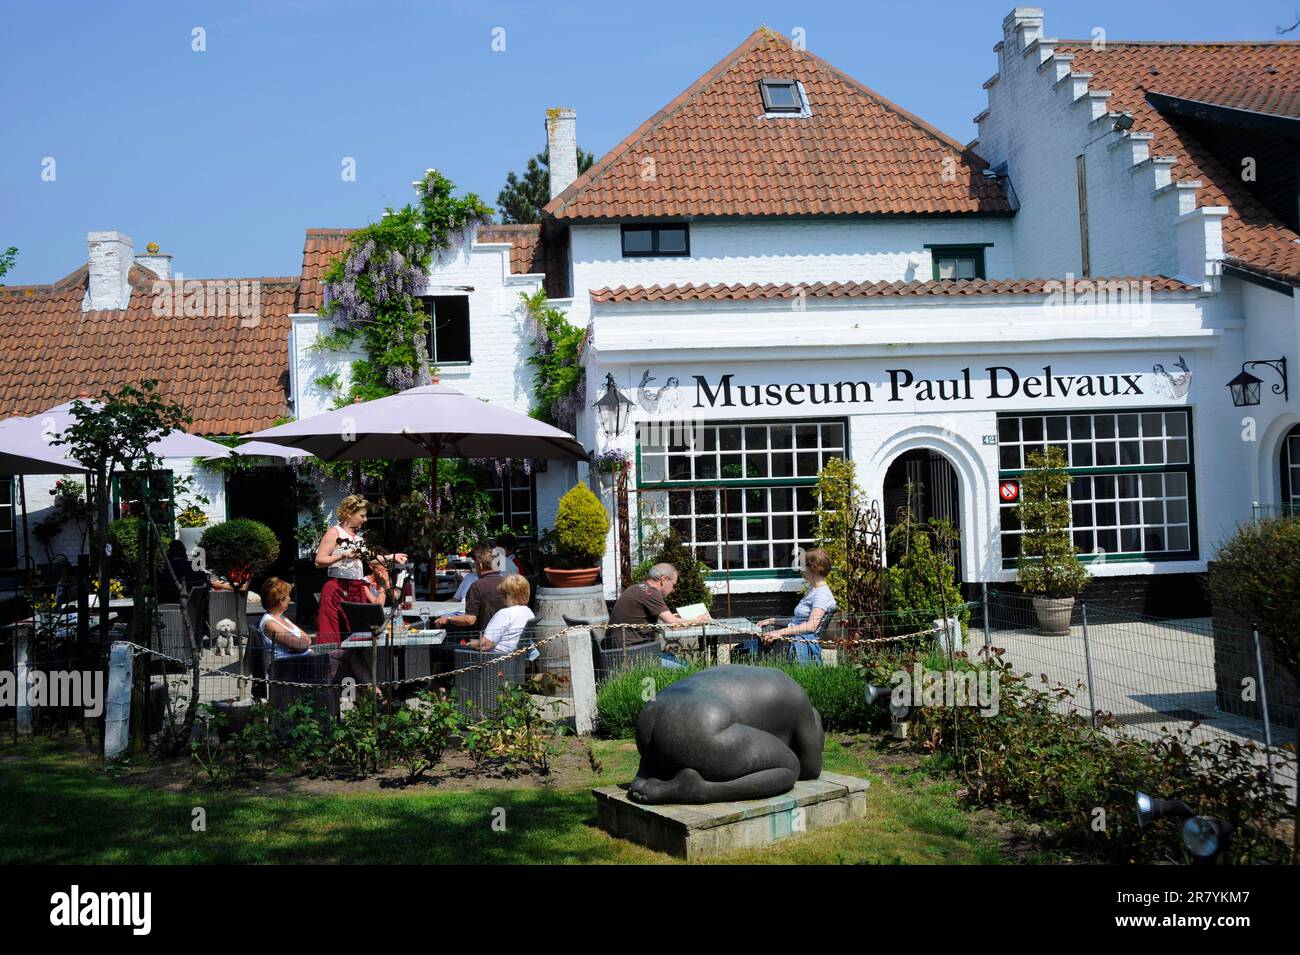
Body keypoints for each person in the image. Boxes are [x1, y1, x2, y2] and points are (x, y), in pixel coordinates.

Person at [314, 494, 407, 644]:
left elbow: (371, 557)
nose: (365, 519)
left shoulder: (358, 539)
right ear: (349, 513)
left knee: (357, 634)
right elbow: (319, 561)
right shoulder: (334, 532)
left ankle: (352, 664)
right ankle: (331, 664)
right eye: (362, 515)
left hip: (356, 588)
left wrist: (392, 557)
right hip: (336, 587)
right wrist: (343, 555)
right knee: (332, 634)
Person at [757, 547, 837, 664]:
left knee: (747, 649)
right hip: (790, 636)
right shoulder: (813, 589)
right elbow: (798, 621)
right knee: (752, 640)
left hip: (796, 641)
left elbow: (811, 626)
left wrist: (778, 633)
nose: (800, 568)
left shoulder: (821, 594)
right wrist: (772, 621)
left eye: (803, 565)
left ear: (812, 568)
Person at [607, 563, 710, 648]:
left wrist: (680, 617)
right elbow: (673, 625)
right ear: (663, 580)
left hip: (621, 647)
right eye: (673, 584)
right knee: (685, 668)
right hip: (630, 652)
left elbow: (665, 619)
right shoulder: (651, 594)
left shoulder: (639, 587)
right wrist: (698, 621)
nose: (673, 589)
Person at [435, 543, 506, 634]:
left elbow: (470, 619)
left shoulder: (478, 585)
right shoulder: (506, 581)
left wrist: (448, 619)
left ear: (480, 565)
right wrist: (437, 608)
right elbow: (456, 599)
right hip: (495, 631)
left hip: (471, 627)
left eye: (475, 563)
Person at [467, 574, 533, 654]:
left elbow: (485, 645)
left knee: (452, 650)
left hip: (496, 659)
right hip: (517, 658)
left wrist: (467, 644)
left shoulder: (504, 614)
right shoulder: (529, 612)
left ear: (506, 595)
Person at [257, 577, 312, 660]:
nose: (290, 599)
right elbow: (302, 645)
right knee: (336, 657)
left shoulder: (282, 617)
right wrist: (301, 644)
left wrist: (300, 645)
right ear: (281, 600)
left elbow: (307, 639)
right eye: (288, 596)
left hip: (304, 660)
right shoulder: (270, 624)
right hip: (289, 666)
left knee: (337, 654)